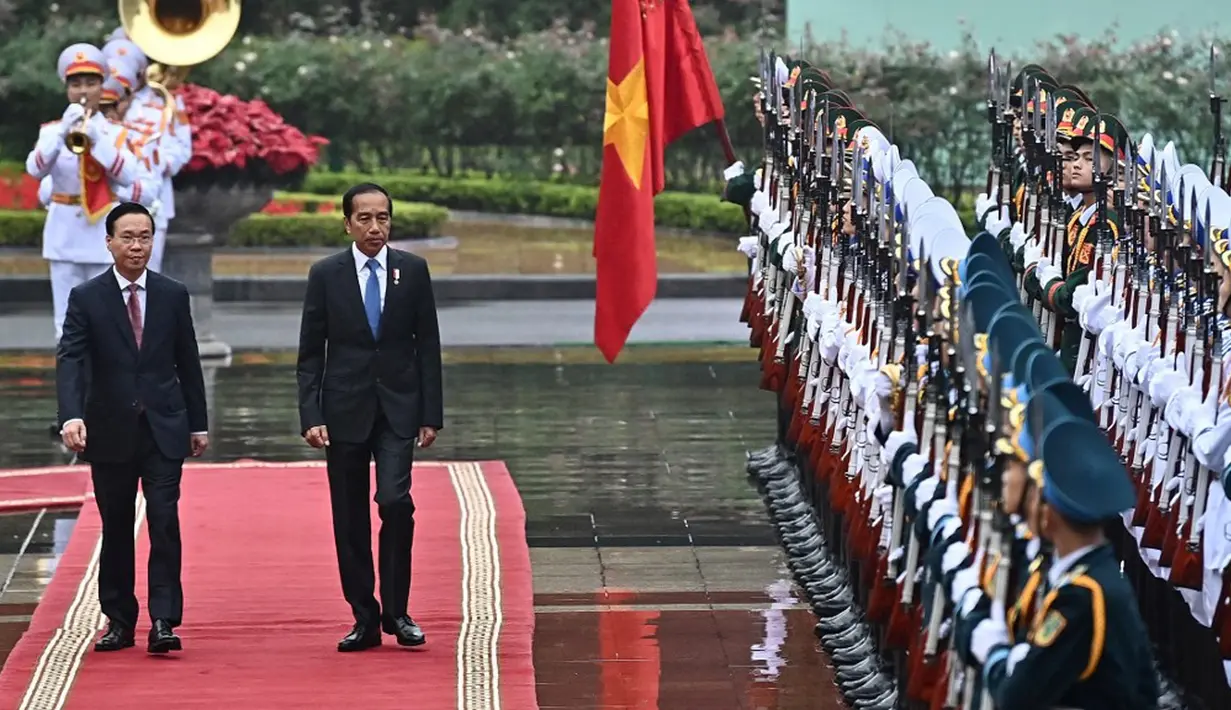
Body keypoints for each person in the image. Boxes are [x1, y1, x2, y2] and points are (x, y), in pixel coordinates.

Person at [296, 182, 444, 652]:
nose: (375, 227)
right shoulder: (326, 274)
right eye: (365, 218)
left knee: (395, 502)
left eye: (382, 217)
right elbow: (309, 352)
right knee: (350, 514)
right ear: (347, 223)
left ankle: (397, 611)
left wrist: (430, 413)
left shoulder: (413, 271)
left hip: (399, 407)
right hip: (343, 409)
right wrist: (310, 413)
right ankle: (364, 615)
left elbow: (429, 347)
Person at [55, 201, 208, 654]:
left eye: (144, 236)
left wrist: (197, 424)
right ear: (109, 242)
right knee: (117, 527)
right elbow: (71, 360)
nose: (137, 245)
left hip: (164, 426)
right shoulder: (87, 298)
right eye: (128, 237)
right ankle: (119, 620)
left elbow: (189, 361)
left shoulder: (173, 293)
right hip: (109, 429)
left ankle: (164, 621)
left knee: (164, 522)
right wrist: (71, 414)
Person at [26, 43, 138, 342]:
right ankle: (73, 385)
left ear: (102, 86)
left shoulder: (114, 133)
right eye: (76, 84)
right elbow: (34, 169)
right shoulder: (51, 131)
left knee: (106, 320)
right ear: (67, 89)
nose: (83, 90)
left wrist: (97, 142)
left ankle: (109, 386)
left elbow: (128, 176)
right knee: (66, 322)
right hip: (64, 234)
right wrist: (62, 133)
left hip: (101, 233)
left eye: (91, 83)